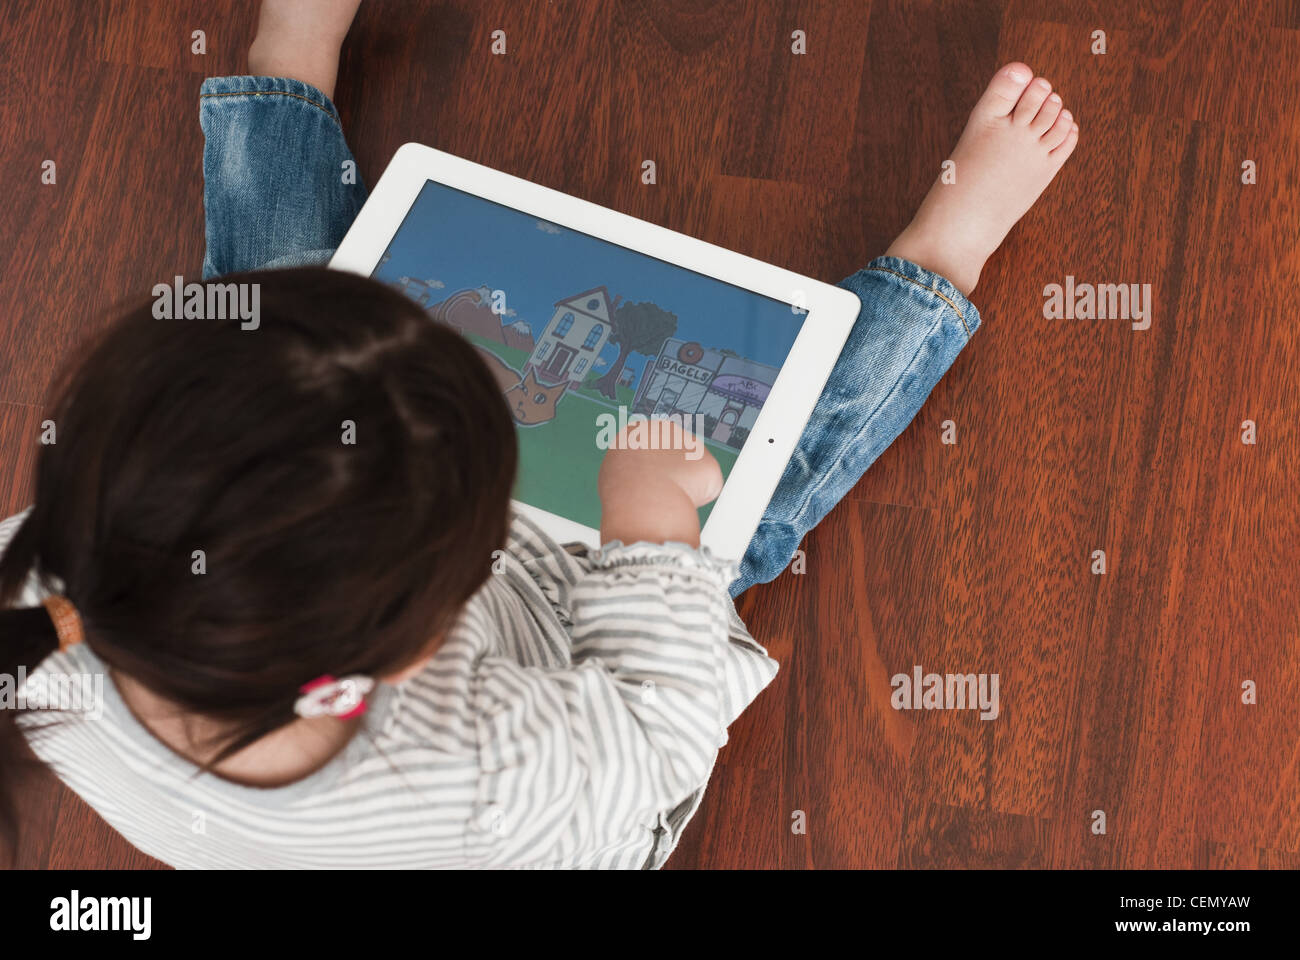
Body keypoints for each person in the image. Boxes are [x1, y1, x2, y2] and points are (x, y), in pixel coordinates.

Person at [0, 0, 1077, 868]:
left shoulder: (43, 580)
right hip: (592, 684)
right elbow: (663, 719)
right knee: (754, 489)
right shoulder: (509, 783)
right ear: (440, 618)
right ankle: (943, 257)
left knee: (273, 306)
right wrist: (648, 515)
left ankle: (291, 50)